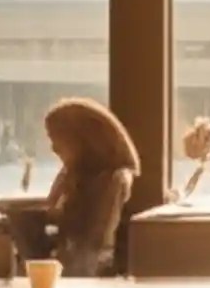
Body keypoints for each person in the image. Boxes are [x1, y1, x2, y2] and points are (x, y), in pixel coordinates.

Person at [44, 98, 140, 278]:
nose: (53, 148)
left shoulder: (114, 181)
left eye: (56, 139)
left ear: (82, 139)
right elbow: (51, 213)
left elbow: (94, 246)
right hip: (71, 268)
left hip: (92, 278)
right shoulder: (71, 174)